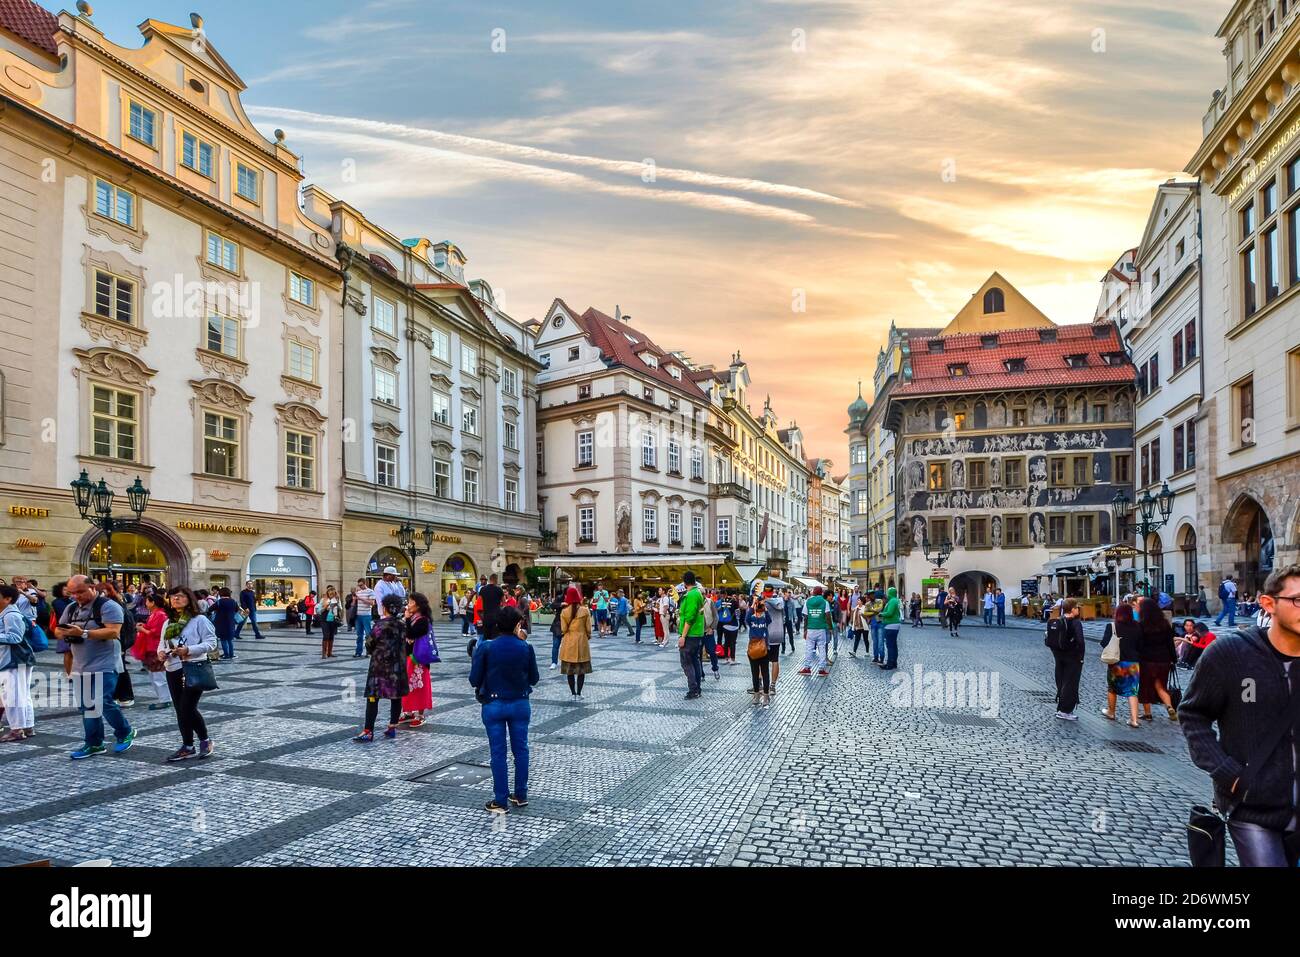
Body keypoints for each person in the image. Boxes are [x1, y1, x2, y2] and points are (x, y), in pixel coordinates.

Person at [1180, 563, 1300, 866]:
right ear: (1268, 603)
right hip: (1253, 806)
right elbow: (1193, 714)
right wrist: (1227, 771)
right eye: (1298, 600)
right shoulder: (1231, 654)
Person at [56, 575, 135, 760]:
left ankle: (125, 731)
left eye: (80, 592)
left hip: (105, 662)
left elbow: (113, 631)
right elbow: (58, 629)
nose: (76, 596)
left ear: (92, 587)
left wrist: (83, 633)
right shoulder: (72, 607)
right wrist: (66, 633)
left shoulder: (108, 606)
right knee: (87, 706)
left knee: (102, 702)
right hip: (80, 664)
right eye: (73, 593)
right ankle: (94, 743)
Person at [470, 605, 539, 814]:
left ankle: (500, 800)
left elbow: (474, 679)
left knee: (498, 752)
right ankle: (520, 794)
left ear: (498, 625)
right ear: (518, 624)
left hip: (494, 704)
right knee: (521, 750)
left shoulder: (486, 647)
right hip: (520, 703)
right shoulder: (526, 648)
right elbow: (534, 679)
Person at [158, 586, 218, 761]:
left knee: (187, 708)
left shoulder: (199, 620)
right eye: (173, 596)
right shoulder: (168, 622)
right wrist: (161, 652)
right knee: (180, 709)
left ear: (189, 599)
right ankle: (187, 745)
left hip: (194, 667)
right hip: (173, 667)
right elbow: (162, 643)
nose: (176, 599)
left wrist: (189, 650)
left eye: (180, 596)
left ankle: (205, 740)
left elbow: (211, 643)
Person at [353, 594, 410, 742]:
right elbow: (409, 645)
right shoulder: (403, 625)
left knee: (373, 697)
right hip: (397, 667)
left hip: (379, 667)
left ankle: (368, 730)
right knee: (395, 697)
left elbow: (370, 643)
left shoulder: (379, 625)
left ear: (384, 608)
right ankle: (392, 727)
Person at [0, 584, 36, 742]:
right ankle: (27, 726)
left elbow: (15, 637)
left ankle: (17, 729)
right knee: (21, 694)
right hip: (16, 659)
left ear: (7, 599)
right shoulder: (6, 613)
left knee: (12, 695)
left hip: (14, 659)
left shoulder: (11, 615)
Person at [1101, 596, 1142, 729]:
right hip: (1133, 662)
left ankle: (1111, 712)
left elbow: (1104, 643)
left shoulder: (1112, 626)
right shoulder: (1138, 626)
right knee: (1133, 691)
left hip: (1116, 662)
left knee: (1112, 688)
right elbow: (1142, 644)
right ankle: (1134, 719)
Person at [1136, 596, 1178, 722]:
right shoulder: (1164, 624)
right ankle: (1170, 707)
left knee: (1145, 687)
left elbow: (1139, 644)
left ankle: (1147, 713)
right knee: (1160, 686)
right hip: (1164, 659)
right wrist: (1173, 659)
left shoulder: (1142, 625)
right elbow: (1170, 643)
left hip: (1147, 660)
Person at [130, 591, 171, 710]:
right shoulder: (155, 614)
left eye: (147, 601)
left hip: (155, 647)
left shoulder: (160, 615)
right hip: (151, 647)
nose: (146, 603)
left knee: (158, 674)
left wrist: (141, 629)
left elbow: (156, 633)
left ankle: (165, 699)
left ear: (153, 603)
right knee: (155, 674)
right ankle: (163, 698)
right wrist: (144, 626)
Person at [399, 593, 434, 727]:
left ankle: (420, 714)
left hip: (419, 659)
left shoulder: (423, 620)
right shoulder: (413, 617)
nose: (408, 604)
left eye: (411, 602)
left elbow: (411, 634)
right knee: (408, 685)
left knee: (419, 685)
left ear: (418, 605)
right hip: (408, 656)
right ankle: (408, 712)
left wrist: (407, 620)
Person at [1049, 598, 1086, 720]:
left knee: (1061, 681)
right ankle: (1065, 710)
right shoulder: (1075, 623)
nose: (1078, 609)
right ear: (1073, 609)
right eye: (1077, 607)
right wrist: (1081, 655)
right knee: (1070, 682)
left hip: (1059, 656)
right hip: (1072, 657)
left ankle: (1061, 707)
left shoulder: (1059, 621)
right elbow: (1080, 640)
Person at [557, 586, 593, 698]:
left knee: (570, 670)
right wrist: (587, 635)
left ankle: (573, 693)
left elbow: (563, 629)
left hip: (569, 642)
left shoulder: (564, 611)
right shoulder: (585, 610)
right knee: (581, 670)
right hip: (582, 641)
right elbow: (589, 629)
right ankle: (579, 693)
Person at [677, 572, 706, 700]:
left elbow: (690, 617)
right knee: (695, 661)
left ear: (684, 582)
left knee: (687, 662)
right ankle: (697, 688)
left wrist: (683, 636)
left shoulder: (692, 595)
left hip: (690, 634)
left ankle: (693, 690)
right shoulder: (697, 593)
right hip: (697, 633)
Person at [797, 585, 832, 677]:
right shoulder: (825, 602)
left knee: (809, 649)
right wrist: (830, 627)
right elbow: (828, 616)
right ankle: (821, 669)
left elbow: (805, 617)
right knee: (822, 648)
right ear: (821, 593)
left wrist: (805, 630)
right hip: (821, 629)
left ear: (814, 592)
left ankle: (807, 668)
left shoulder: (808, 601)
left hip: (810, 628)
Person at [746, 599, 774, 700]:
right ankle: (766, 696)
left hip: (753, 650)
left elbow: (747, 618)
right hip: (764, 649)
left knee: (755, 673)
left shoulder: (751, 620)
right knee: (765, 673)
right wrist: (765, 609)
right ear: (762, 610)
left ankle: (757, 695)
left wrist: (753, 605)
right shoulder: (765, 620)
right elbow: (770, 619)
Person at [212, 587, 240, 661]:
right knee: (230, 639)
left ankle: (226, 654)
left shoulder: (219, 602)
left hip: (221, 623)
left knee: (223, 639)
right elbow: (237, 610)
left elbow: (210, 609)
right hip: (231, 622)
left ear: (221, 593)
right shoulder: (233, 601)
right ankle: (231, 654)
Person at [879, 586, 903, 671]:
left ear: (890, 593)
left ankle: (890, 664)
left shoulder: (892, 601)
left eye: (888, 592)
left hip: (891, 625)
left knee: (890, 645)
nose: (887, 594)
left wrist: (881, 614)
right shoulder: (895, 600)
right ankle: (894, 663)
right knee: (893, 645)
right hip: (894, 625)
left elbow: (889, 613)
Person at [352, 578, 376, 658]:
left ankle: (369, 651)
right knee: (359, 635)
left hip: (366, 615)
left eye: (361, 585)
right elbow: (353, 605)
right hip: (358, 615)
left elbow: (372, 603)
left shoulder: (370, 591)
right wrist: (354, 600)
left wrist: (361, 599)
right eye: (359, 585)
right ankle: (358, 652)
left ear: (365, 583)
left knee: (368, 634)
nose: (360, 587)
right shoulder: (358, 592)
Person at [479, 574, 505, 641]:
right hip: (496, 617)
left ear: (490, 579)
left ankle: (485, 650)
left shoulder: (483, 589)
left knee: (486, 636)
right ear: (496, 580)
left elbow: (479, 603)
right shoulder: (499, 589)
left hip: (486, 616)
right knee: (495, 637)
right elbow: (504, 603)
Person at [318, 585, 341, 658]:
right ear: (327, 593)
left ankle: (329, 653)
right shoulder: (323, 600)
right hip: (324, 619)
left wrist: (336, 605)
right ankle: (323, 653)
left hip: (333, 619)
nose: (331, 595)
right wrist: (325, 607)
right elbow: (319, 611)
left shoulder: (337, 599)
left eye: (333, 594)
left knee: (331, 636)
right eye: (330, 594)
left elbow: (341, 609)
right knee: (326, 635)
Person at [718, 591, 740, 663]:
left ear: (726, 594)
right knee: (732, 643)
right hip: (733, 625)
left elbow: (720, 611)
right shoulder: (735, 602)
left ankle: (726, 658)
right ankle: (733, 659)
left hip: (725, 624)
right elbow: (738, 613)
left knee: (726, 642)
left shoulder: (723, 601)